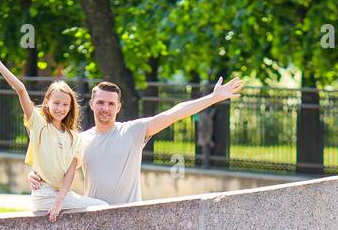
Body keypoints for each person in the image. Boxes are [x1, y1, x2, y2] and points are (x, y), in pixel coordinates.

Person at [27, 76, 243, 206]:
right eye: (101, 102)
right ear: (92, 105)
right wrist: (35, 174)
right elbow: (55, 168)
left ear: (118, 107)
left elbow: (174, 113)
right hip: (95, 221)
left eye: (111, 104)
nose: (105, 108)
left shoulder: (133, 132)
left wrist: (213, 98)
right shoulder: (79, 141)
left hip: (130, 218)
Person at [0, 47, 110, 221]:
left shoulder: (74, 137)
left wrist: (59, 201)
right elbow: (20, 90)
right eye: (56, 103)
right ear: (47, 102)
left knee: (103, 208)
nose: (60, 108)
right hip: (43, 195)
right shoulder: (39, 124)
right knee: (103, 208)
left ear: (71, 107)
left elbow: (70, 174)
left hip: (62, 196)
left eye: (65, 105)